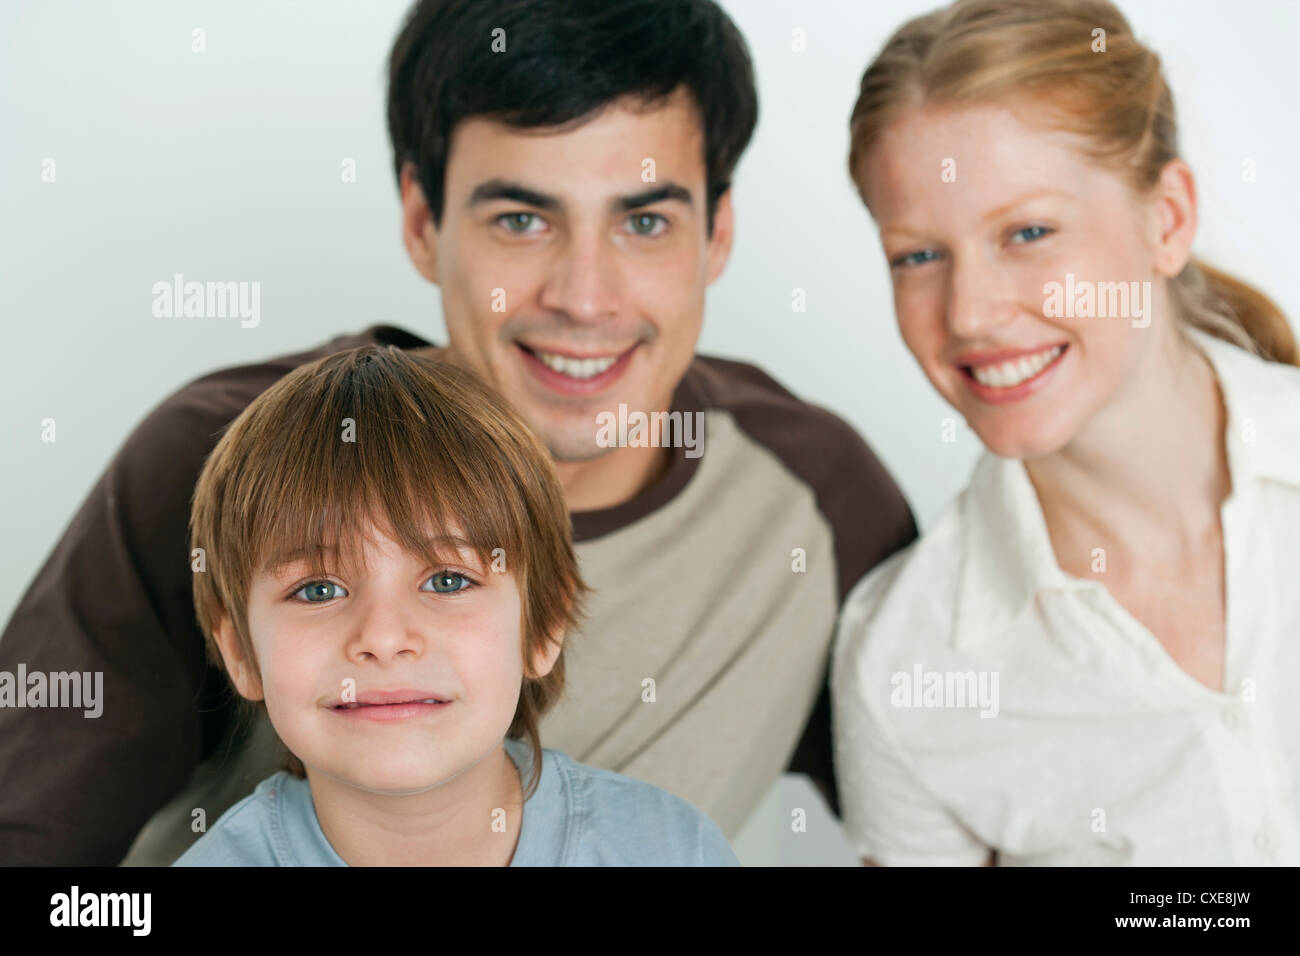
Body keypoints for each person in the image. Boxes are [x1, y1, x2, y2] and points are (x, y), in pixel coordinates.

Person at [0, 0, 915, 865]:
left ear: (717, 232)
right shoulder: (226, 457)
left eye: (644, 219)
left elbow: (975, 795)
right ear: (421, 218)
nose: (584, 297)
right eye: (521, 218)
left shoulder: (816, 500)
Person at [831, 0, 1300, 865]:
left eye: (1029, 232)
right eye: (918, 256)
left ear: (1167, 221)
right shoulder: (907, 664)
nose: (970, 313)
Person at [170, 346, 738, 866]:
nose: (385, 638)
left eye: (447, 581)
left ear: (543, 625)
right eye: (319, 590)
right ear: (240, 649)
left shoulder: (672, 850)